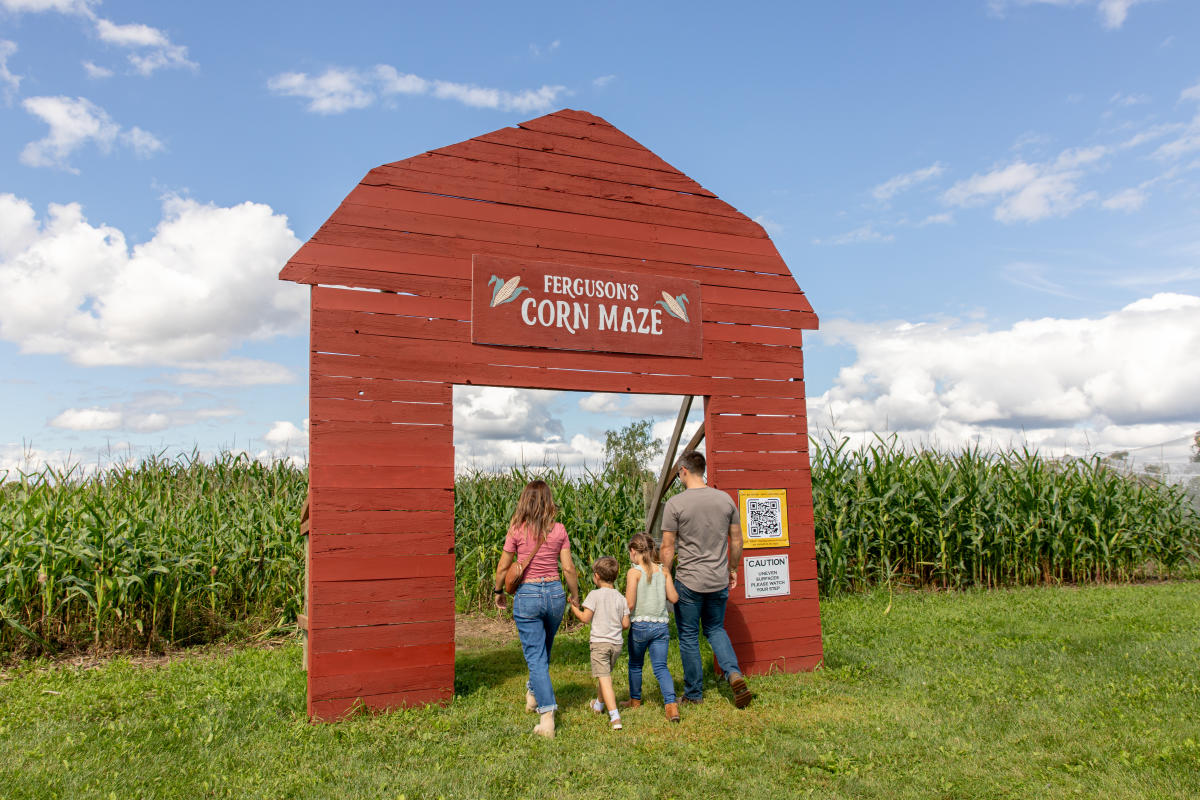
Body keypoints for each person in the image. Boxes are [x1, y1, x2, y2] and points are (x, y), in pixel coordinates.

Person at [659, 450, 752, 708]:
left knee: (688, 635)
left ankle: (694, 693)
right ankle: (733, 674)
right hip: (718, 580)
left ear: (684, 471)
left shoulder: (676, 504)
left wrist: (664, 575)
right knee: (715, 629)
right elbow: (737, 541)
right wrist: (732, 569)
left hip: (689, 582)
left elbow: (667, 547)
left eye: (679, 472)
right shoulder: (725, 500)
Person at [493, 480, 580, 738]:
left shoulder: (517, 530)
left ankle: (547, 717)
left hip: (528, 595)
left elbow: (502, 567)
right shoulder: (559, 530)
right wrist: (574, 594)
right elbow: (568, 569)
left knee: (535, 656)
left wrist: (499, 592)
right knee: (543, 652)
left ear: (525, 501)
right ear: (548, 501)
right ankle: (533, 694)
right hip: (554, 594)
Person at [624, 532, 681, 723]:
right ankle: (671, 705)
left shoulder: (634, 573)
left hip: (639, 625)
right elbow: (674, 598)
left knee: (635, 664)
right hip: (661, 626)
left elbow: (630, 604)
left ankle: (635, 700)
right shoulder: (663, 571)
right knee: (660, 667)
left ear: (633, 551)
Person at [568, 556, 630, 730]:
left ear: (596, 576)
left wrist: (574, 607)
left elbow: (585, 618)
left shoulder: (594, 595)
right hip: (616, 644)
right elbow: (625, 624)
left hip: (599, 644)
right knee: (605, 677)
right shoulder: (620, 597)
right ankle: (598, 705)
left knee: (605, 679)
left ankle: (615, 717)